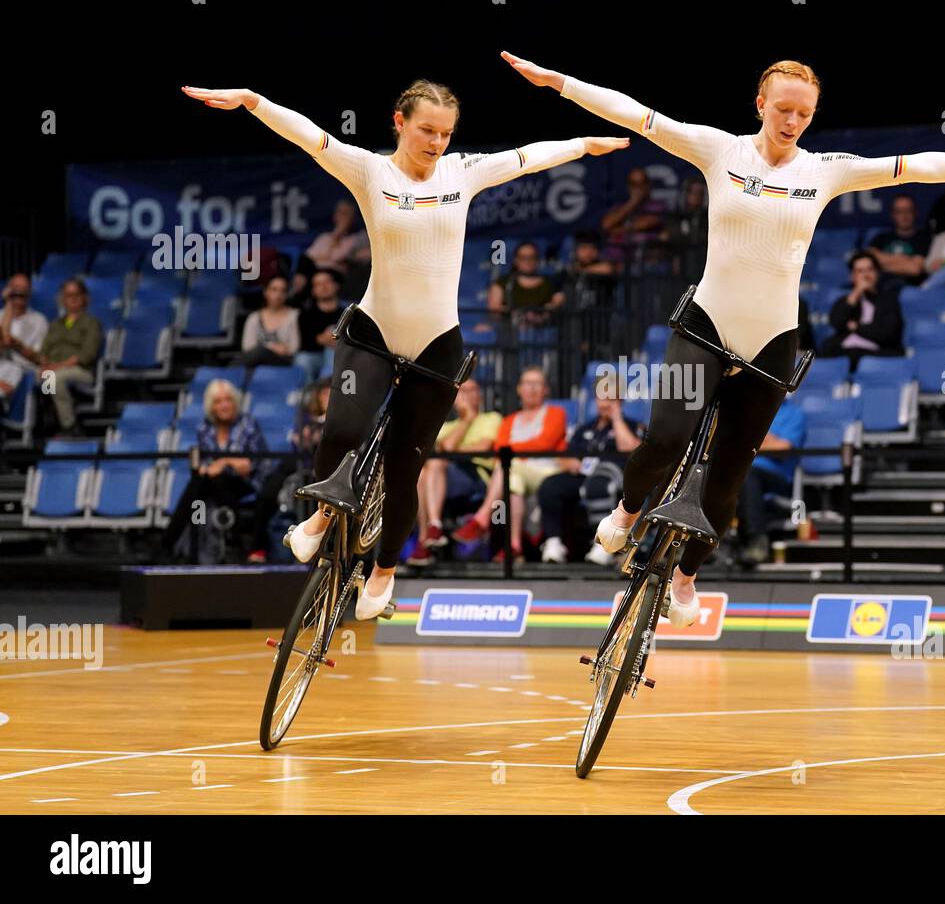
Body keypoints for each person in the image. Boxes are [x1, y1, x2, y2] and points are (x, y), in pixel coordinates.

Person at [503, 49, 945, 626]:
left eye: (805, 114)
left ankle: (687, 578)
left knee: (729, 475)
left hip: (771, 341)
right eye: (784, 109)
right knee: (666, 436)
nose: (793, 122)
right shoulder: (721, 149)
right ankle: (625, 509)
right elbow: (640, 115)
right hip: (707, 323)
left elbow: (916, 165)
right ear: (761, 104)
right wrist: (558, 83)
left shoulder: (826, 171)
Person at [181, 79, 624, 618]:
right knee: (342, 427)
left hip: (436, 346)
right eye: (426, 130)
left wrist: (583, 145)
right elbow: (312, 137)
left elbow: (527, 158)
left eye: (445, 133)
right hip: (373, 332)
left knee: (403, 468)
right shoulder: (372, 172)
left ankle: (385, 571)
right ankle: (320, 518)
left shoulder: (463, 172)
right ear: (399, 121)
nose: (436, 142)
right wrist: (254, 102)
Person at [451, 366, 568, 560]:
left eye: (536, 384)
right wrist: (515, 452)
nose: (531, 389)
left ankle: (481, 519)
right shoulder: (509, 421)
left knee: (508, 466)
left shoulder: (556, 413)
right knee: (512, 478)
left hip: (547, 472)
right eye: (527, 384)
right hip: (515, 472)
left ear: (546, 389)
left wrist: (513, 451)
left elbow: (544, 443)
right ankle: (513, 546)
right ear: (519, 389)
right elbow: (501, 448)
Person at [537, 374, 645, 565]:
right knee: (550, 486)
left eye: (610, 398)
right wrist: (570, 463)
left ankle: (604, 545)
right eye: (601, 398)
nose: (604, 404)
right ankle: (553, 543)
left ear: (620, 400)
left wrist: (616, 417)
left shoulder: (632, 425)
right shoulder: (585, 428)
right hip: (582, 475)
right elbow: (565, 455)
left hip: (617, 476)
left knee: (599, 484)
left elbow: (630, 448)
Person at [161, 379, 272, 559]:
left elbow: (250, 465)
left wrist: (223, 462)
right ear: (211, 406)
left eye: (228, 400)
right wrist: (218, 466)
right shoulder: (205, 427)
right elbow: (205, 463)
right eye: (219, 401)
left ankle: (168, 541)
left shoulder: (247, 424)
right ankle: (230, 541)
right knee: (203, 480)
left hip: (248, 483)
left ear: (235, 402)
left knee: (206, 481)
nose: (224, 405)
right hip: (216, 484)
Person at [409, 377, 501, 566]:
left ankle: (425, 540)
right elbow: (446, 446)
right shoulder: (447, 426)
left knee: (434, 464)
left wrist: (468, 422)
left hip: (477, 475)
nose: (466, 396)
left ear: (479, 396)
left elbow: (483, 447)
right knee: (421, 474)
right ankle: (431, 531)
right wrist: (465, 421)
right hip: (446, 476)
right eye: (462, 391)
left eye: (471, 390)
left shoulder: (491, 418)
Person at [247, 379, 329, 563]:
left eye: (332, 393)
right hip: (297, 461)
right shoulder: (306, 418)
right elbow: (297, 440)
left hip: (321, 467)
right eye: (324, 393)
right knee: (267, 491)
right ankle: (257, 548)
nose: (327, 397)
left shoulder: (343, 419)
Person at [736, 396, 806, 566]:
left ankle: (757, 541)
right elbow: (738, 442)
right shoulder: (753, 409)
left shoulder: (795, 413)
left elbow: (783, 448)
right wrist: (768, 440)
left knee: (748, 476)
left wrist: (756, 440)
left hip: (777, 476)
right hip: (743, 470)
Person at [37, 278, 103, 436]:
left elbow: (87, 354)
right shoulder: (56, 324)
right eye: (68, 295)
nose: (72, 299)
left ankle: (69, 426)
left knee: (54, 378)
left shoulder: (92, 323)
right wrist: (44, 364)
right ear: (62, 299)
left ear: (84, 298)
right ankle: (48, 419)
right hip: (54, 369)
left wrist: (56, 367)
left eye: (76, 294)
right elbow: (44, 350)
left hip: (80, 371)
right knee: (35, 376)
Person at [819, 250, 903, 365]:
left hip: (874, 352)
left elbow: (888, 333)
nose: (866, 275)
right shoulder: (848, 299)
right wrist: (857, 291)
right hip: (844, 350)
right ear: (852, 276)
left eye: (870, 269)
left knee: (854, 355)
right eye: (860, 271)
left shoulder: (888, 300)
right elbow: (836, 321)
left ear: (877, 273)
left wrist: (856, 327)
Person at [0, 274, 49, 413]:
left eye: (23, 289)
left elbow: (40, 359)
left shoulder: (39, 320)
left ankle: (48, 418)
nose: (19, 293)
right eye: (15, 289)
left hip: (27, 369)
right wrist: (8, 304)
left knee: (50, 377)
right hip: (2, 366)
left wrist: (17, 346)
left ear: (30, 293)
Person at [487, 241, 564, 326]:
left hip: (543, 332)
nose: (527, 261)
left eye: (532, 257)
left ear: (538, 259)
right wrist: (518, 315)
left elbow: (558, 302)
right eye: (523, 257)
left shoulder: (551, 283)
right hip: (510, 332)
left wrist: (544, 313)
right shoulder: (504, 282)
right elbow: (494, 307)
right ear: (516, 260)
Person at [866, 193, 930, 290]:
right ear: (893, 214)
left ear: (915, 212)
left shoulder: (924, 238)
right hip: (879, 286)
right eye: (899, 211)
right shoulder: (881, 237)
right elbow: (868, 260)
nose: (904, 215)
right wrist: (905, 259)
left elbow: (914, 269)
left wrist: (880, 265)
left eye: (908, 210)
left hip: (908, 287)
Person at [293, 269, 344, 381]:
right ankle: (307, 396)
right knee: (302, 359)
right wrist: (328, 339)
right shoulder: (305, 314)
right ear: (313, 291)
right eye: (318, 284)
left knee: (332, 353)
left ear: (336, 286)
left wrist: (326, 339)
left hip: (340, 356)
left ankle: (327, 395)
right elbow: (307, 342)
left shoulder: (348, 312)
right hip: (315, 356)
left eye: (327, 282)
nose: (324, 287)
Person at [239, 275, 300, 368]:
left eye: (283, 291)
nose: (278, 295)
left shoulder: (294, 316)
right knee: (256, 354)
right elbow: (247, 348)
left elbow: (294, 348)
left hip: (284, 360)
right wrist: (271, 347)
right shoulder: (254, 318)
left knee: (258, 353)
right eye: (274, 290)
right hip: (256, 361)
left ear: (287, 294)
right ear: (265, 292)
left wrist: (268, 349)